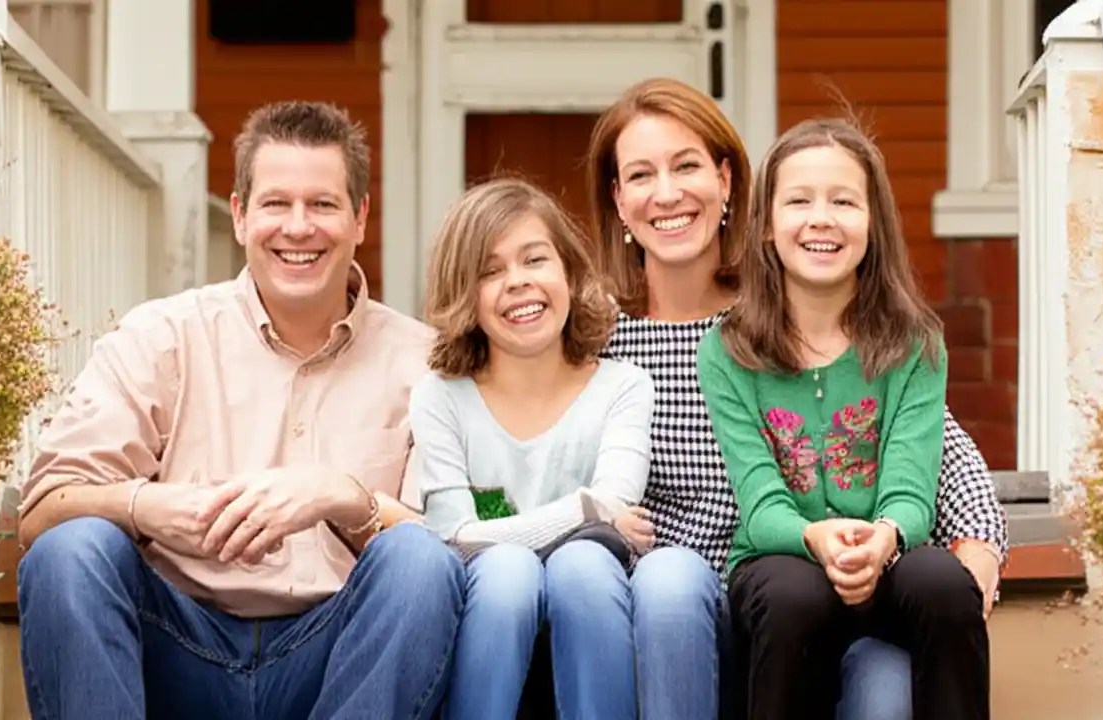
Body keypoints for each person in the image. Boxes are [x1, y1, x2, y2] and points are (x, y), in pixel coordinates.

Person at [15, 100, 465, 720]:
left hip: (334, 655)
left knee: (420, 560)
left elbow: (450, 548)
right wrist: (146, 508)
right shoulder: (162, 336)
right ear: (239, 215)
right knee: (72, 551)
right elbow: (43, 511)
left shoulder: (425, 362)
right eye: (277, 203)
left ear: (360, 217)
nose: (299, 227)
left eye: (324, 204)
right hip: (176, 641)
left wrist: (339, 496)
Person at [586, 77, 1007, 719]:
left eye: (688, 166)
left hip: (841, 590)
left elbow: (937, 457)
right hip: (692, 618)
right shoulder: (595, 344)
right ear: (618, 199)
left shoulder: (809, 314)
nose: (667, 193)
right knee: (696, 591)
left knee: (885, 684)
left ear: (729, 182)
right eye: (642, 175)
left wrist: (977, 544)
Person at [697, 116, 989, 719]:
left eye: (844, 201)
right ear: (768, 229)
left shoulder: (915, 345)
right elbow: (760, 499)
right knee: (791, 593)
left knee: (941, 581)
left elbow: (910, 487)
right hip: (780, 563)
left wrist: (884, 538)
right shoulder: (729, 350)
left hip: (888, 560)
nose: (821, 219)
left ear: (873, 225)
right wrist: (813, 536)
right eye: (798, 201)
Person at [411, 177, 656, 720]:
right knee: (507, 573)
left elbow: (617, 496)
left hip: (595, 622)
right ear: (464, 296)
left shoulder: (624, 386)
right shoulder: (439, 398)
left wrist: (595, 514)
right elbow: (452, 539)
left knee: (584, 563)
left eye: (534, 260)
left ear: (568, 272)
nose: (517, 283)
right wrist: (586, 509)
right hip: (487, 625)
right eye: (490, 272)